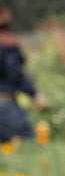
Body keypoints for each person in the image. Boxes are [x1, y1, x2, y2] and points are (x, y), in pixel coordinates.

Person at [0, 8, 41, 143]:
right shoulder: (6, 43)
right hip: (5, 103)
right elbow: (14, 72)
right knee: (27, 147)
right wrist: (34, 94)